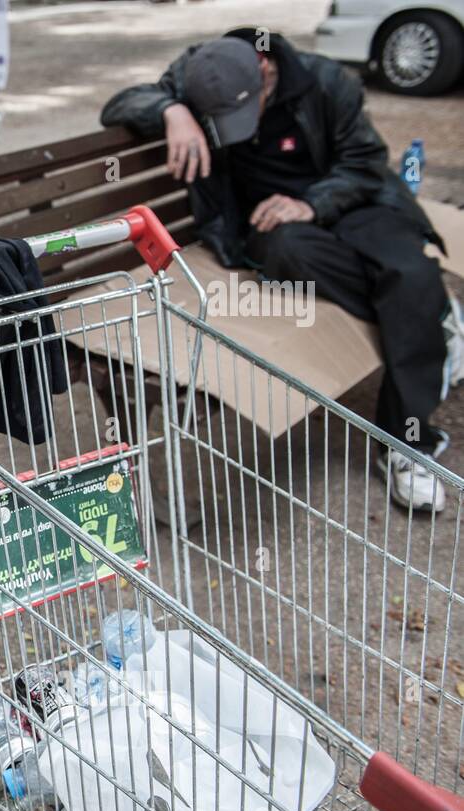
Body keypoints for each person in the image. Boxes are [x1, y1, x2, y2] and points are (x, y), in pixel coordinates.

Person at [101, 27, 460, 511]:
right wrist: (171, 109)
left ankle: (406, 443)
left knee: (408, 273)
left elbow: (366, 162)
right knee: (312, 259)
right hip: (274, 227)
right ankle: (429, 318)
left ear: (264, 69)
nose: (238, 127)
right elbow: (119, 105)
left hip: (352, 203)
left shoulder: (326, 80)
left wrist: (311, 202)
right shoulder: (200, 72)